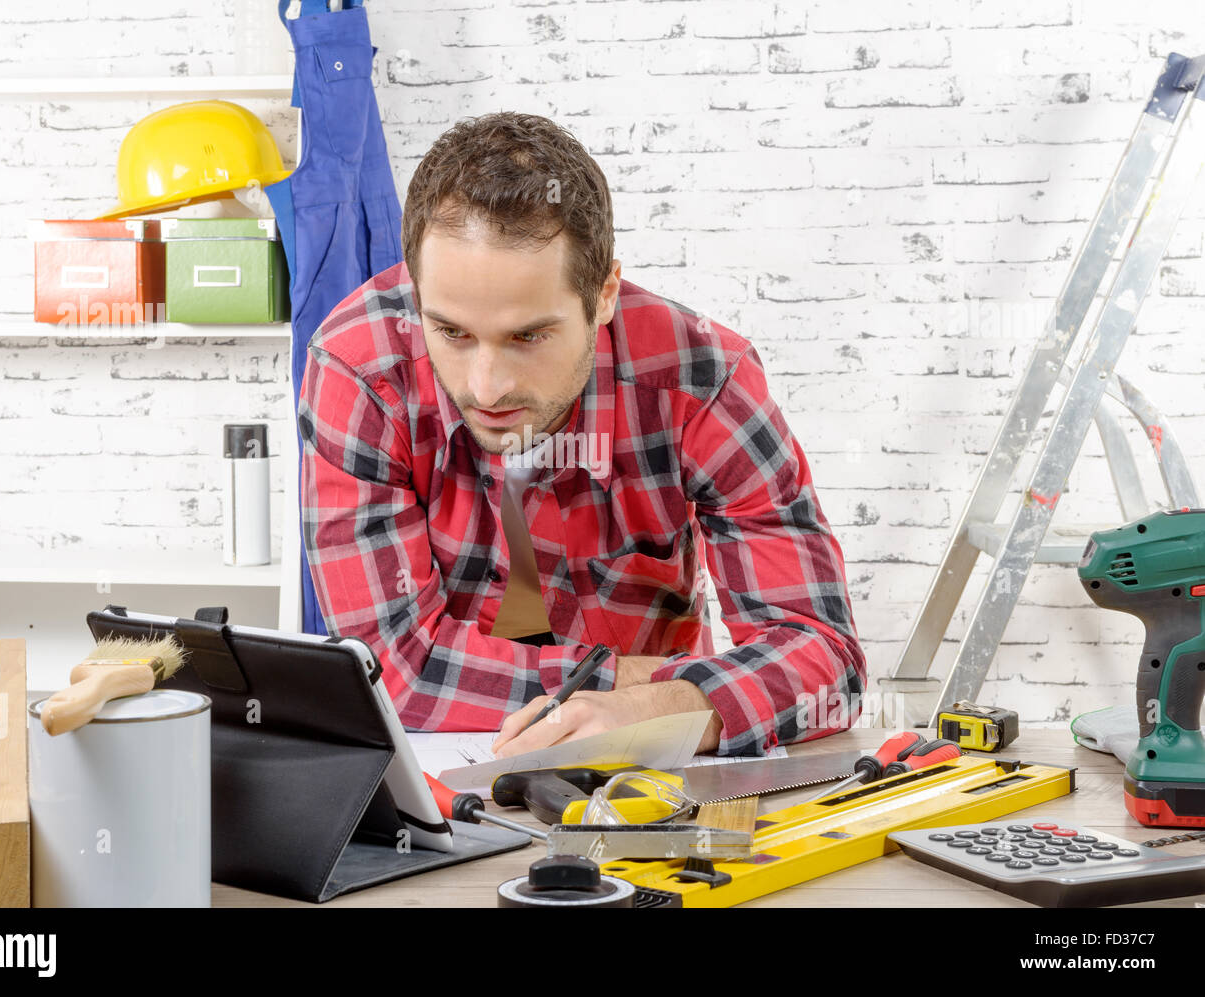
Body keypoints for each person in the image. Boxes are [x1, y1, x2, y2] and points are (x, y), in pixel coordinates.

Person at [298, 111, 866, 759]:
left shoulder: (704, 378)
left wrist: (661, 707)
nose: (486, 387)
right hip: (440, 771)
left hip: (648, 767)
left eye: (528, 335)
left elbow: (828, 658)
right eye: (451, 332)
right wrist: (641, 683)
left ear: (604, 295)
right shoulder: (360, 366)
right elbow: (392, 672)